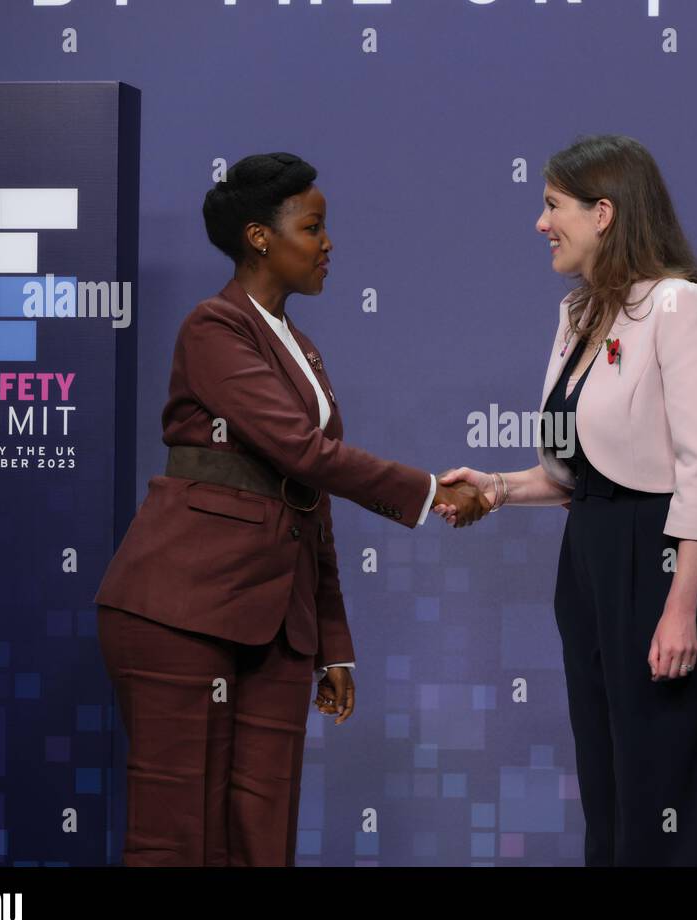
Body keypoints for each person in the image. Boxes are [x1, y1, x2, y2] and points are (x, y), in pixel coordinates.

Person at [94, 152, 486, 866]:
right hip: (179, 610)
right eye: (313, 227)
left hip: (275, 626)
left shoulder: (299, 347)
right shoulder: (213, 328)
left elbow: (306, 496)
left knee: (262, 838)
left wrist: (331, 642)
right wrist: (430, 492)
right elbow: (306, 454)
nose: (329, 244)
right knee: (179, 837)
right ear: (260, 238)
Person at [437, 134, 697, 866]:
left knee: (667, 780)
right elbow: (573, 472)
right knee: (610, 782)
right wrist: (494, 489)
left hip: (671, 564)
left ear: (604, 212)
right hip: (590, 565)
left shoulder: (682, 305)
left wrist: (681, 607)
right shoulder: (576, 316)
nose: (541, 223)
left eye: (553, 206)